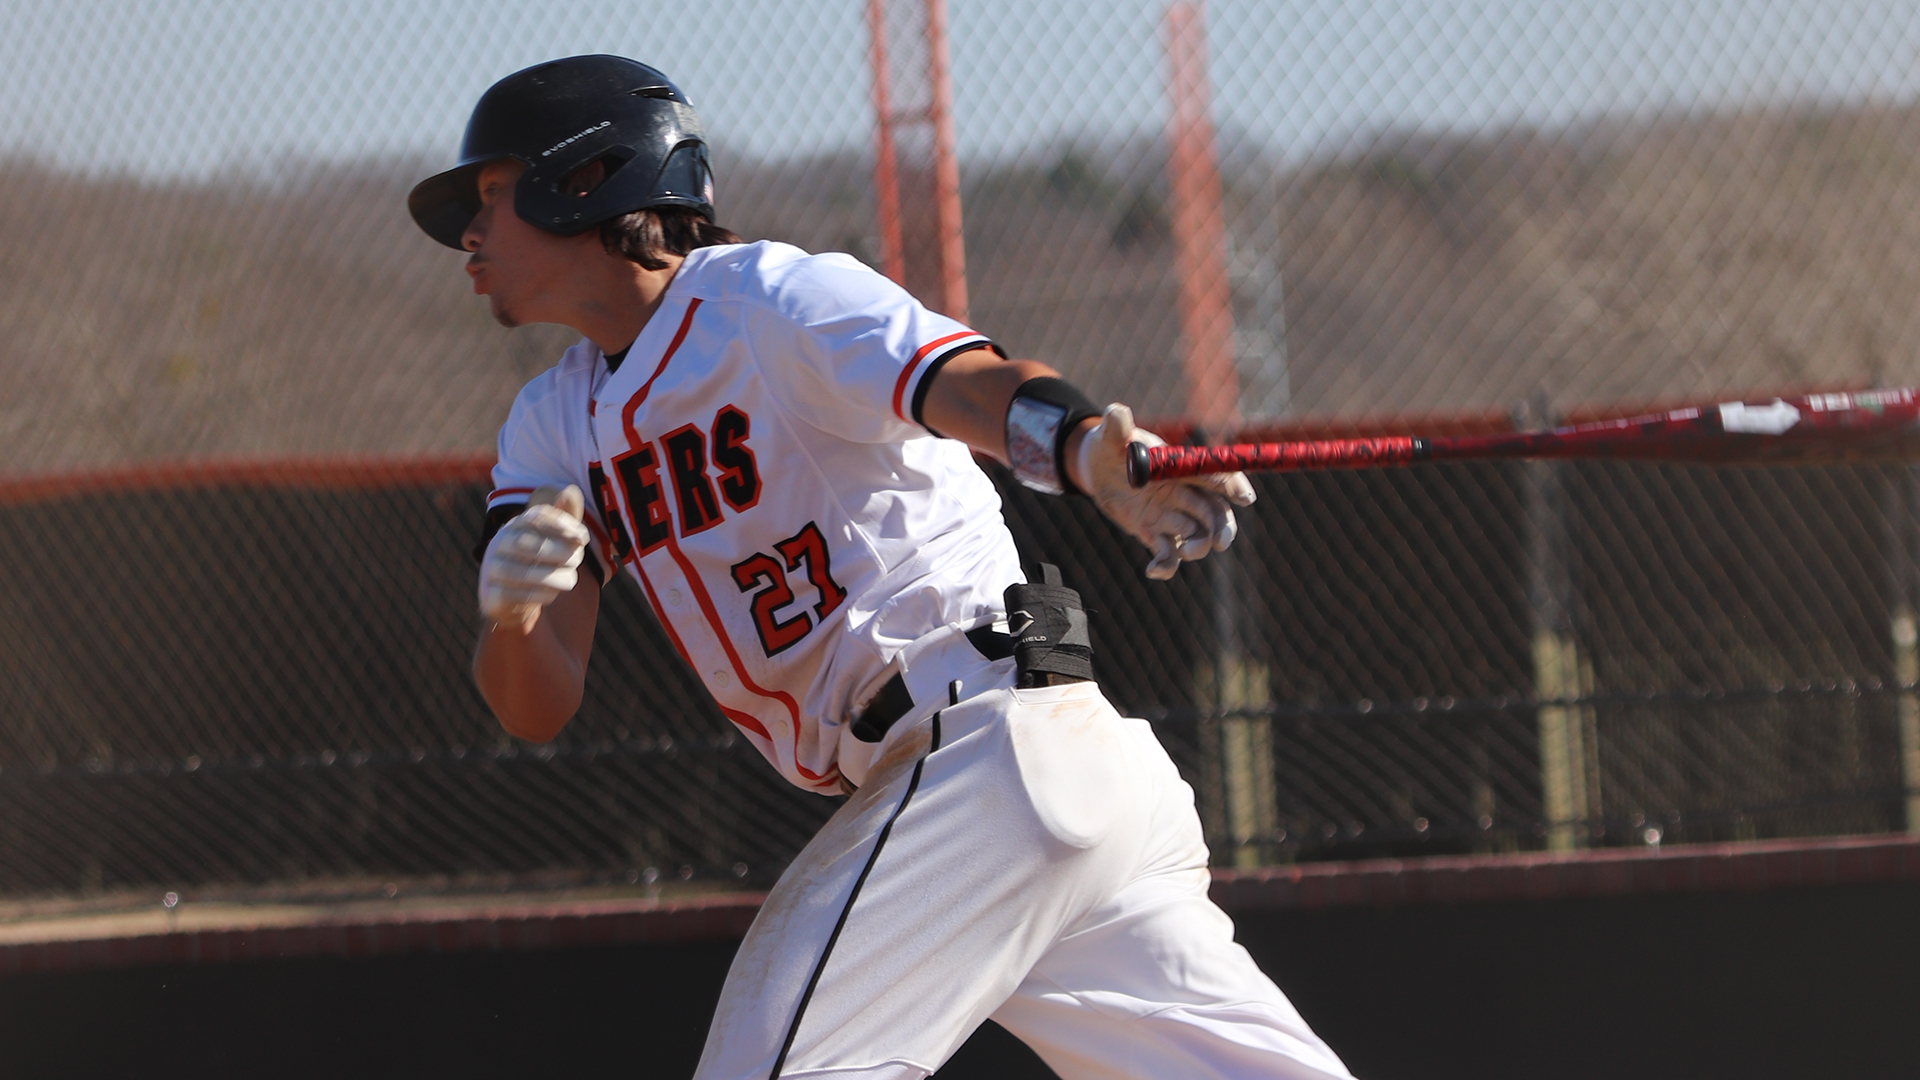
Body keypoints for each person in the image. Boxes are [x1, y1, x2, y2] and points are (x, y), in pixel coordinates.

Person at [409, 54, 1351, 1080]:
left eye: (493, 197)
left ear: (585, 181)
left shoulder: (766, 298)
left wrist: (1089, 457)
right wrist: (508, 615)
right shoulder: (550, 426)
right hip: (1006, 771)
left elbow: (973, 385)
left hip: (987, 745)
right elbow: (534, 707)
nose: (469, 233)